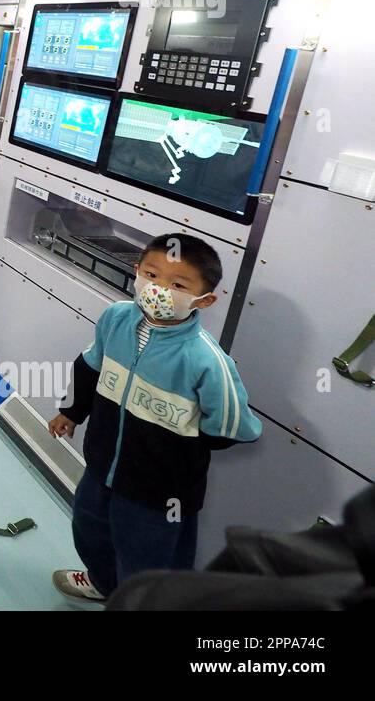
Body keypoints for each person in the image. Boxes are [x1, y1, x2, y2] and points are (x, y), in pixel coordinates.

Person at [48, 233, 263, 602]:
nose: (159, 289)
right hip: (101, 467)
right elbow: (90, 366)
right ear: (137, 272)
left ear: (205, 299)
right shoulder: (116, 318)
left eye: (177, 284)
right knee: (90, 528)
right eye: (152, 274)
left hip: (159, 493)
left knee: (148, 560)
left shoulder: (206, 359)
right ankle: (104, 584)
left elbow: (231, 427)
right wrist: (71, 411)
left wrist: (172, 450)